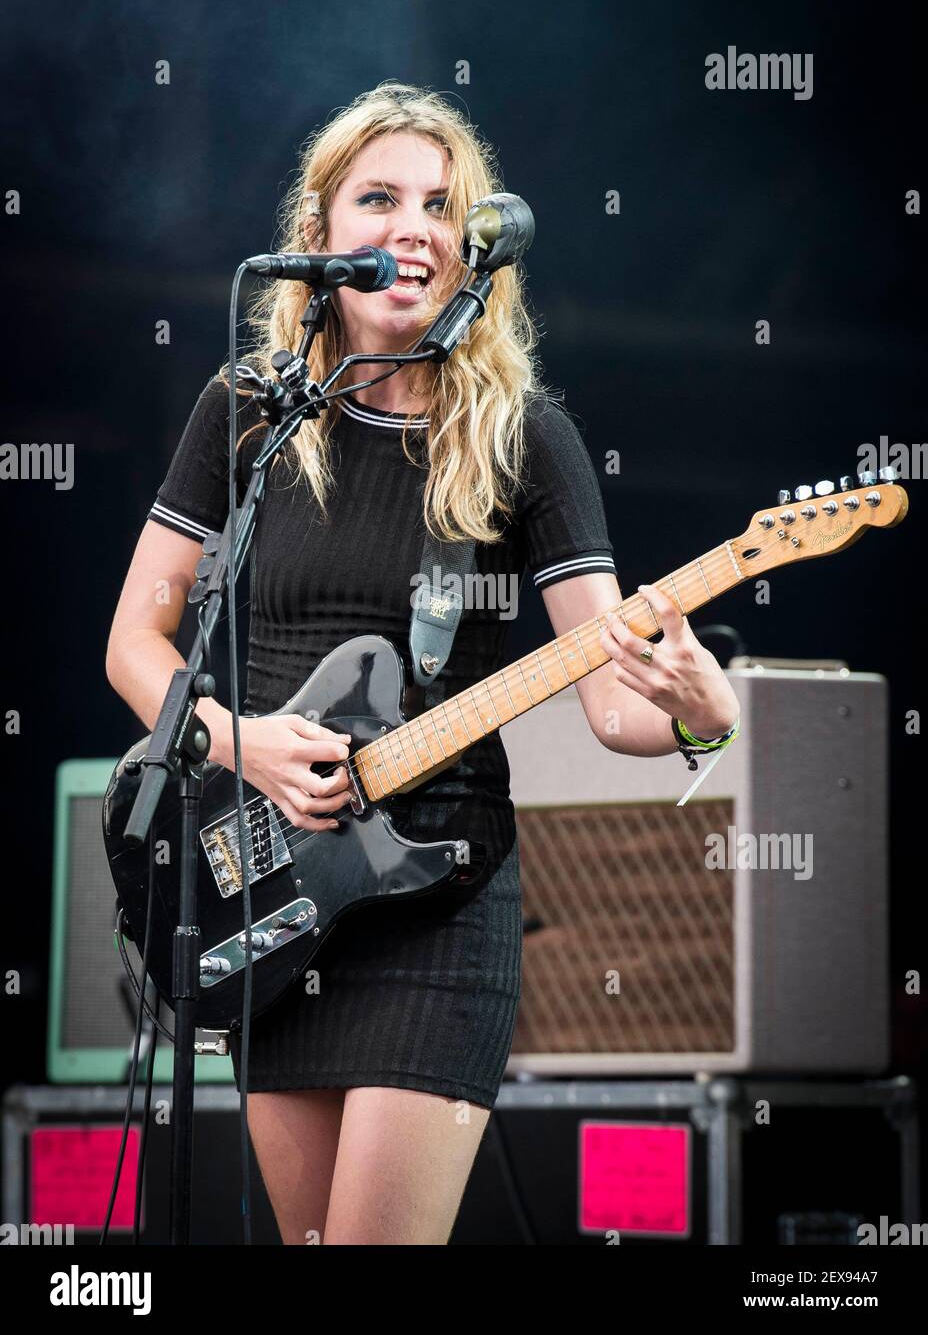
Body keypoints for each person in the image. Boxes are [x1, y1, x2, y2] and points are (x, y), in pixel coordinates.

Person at [105, 81, 740, 1245]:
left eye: (442, 206)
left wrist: (703, 714)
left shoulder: (520, 434)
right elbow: (134, 645)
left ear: (470, 248)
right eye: (380, 198)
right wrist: (243, 743)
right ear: (317, 239)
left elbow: (608, 698)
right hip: (274, 897)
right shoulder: (246, 411)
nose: (414, 226)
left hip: (432, 901)